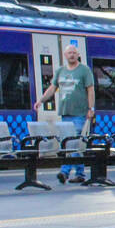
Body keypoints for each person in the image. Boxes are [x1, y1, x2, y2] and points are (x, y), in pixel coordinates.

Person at [33, 44, 95, 184]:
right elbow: (52, 88)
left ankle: (64, 172)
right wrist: (41, 101)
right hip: (65, 113)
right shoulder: (60, 71)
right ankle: (80, 174)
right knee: (72, 143)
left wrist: (91, 108)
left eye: (74, 53)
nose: (71, 55)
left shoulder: (85, 71)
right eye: (69, 53)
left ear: (78, 55)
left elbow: (90, 90)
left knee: (71, 143)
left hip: (80, 113)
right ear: (65, 55)